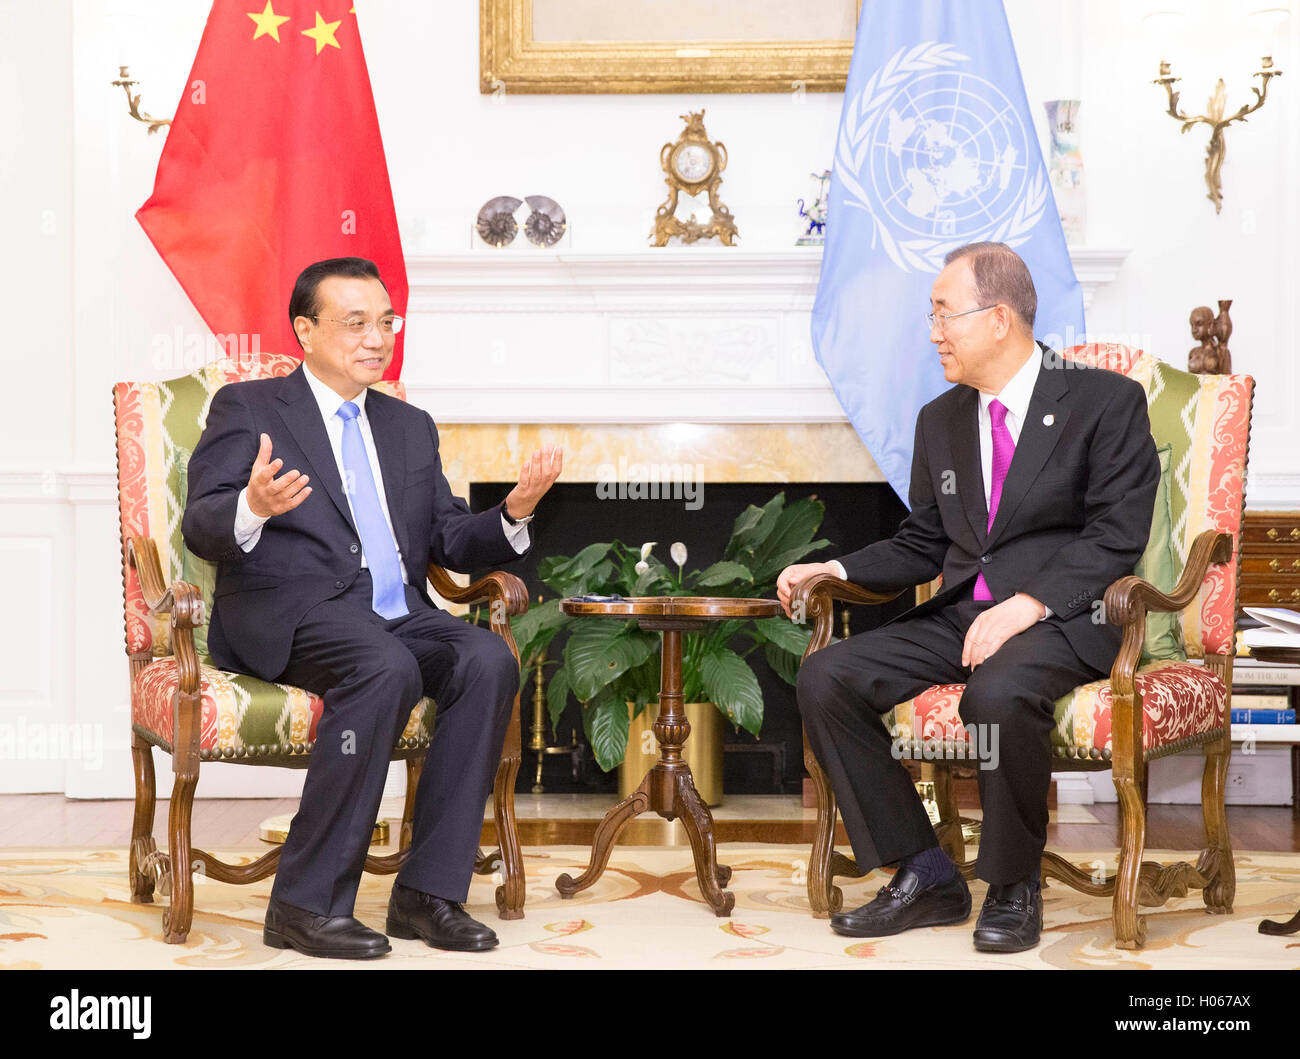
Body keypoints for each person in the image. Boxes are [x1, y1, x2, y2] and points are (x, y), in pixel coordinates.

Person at [778, 241, 1158, 953]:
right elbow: (924, 542)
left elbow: (1116, 535)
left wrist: (1029, 604)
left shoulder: (1104, 403)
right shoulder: (942, 420)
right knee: (827, 675)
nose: (934, 332)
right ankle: (926, 871)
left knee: (998, 692)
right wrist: (831, 565)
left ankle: (1013, 884)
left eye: (943, 314)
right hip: (964, 615)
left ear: (1000, 319)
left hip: (1065, 618)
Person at [182, 257, 562, 959]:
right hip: (294, 612)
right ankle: (303, 903)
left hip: (395, 613)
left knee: (485, 657)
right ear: (306, 329)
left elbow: (447, 535)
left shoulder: (409, 425)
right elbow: (199, 525)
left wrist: (511, 511)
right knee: (383, 666)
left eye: (385, 320)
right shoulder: (251, 408)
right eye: (355, 321)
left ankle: (426, 894)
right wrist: (251, 506)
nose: (377, 336)